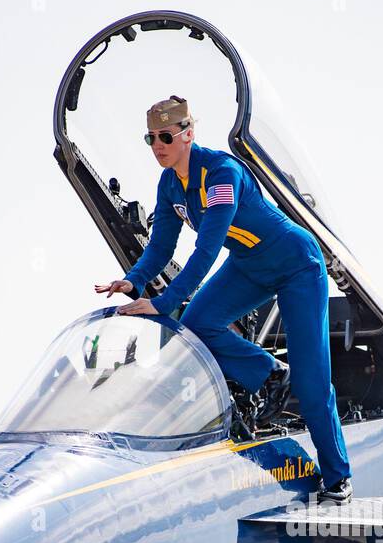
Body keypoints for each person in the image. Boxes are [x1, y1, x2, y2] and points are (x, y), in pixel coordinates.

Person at [95, 96, 353, 504]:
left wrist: (163, 304)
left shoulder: (221, 174)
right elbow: (160, 246)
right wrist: (133, 281)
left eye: (166, 136)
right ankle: (270, 373)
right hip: (250, 264)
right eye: (151, 138)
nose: (158, 145)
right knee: (196, 324)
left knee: (312, 380)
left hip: (297, 265)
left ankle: (337, 478)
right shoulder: (169, 184)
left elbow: (207, 248)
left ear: (188, 134)